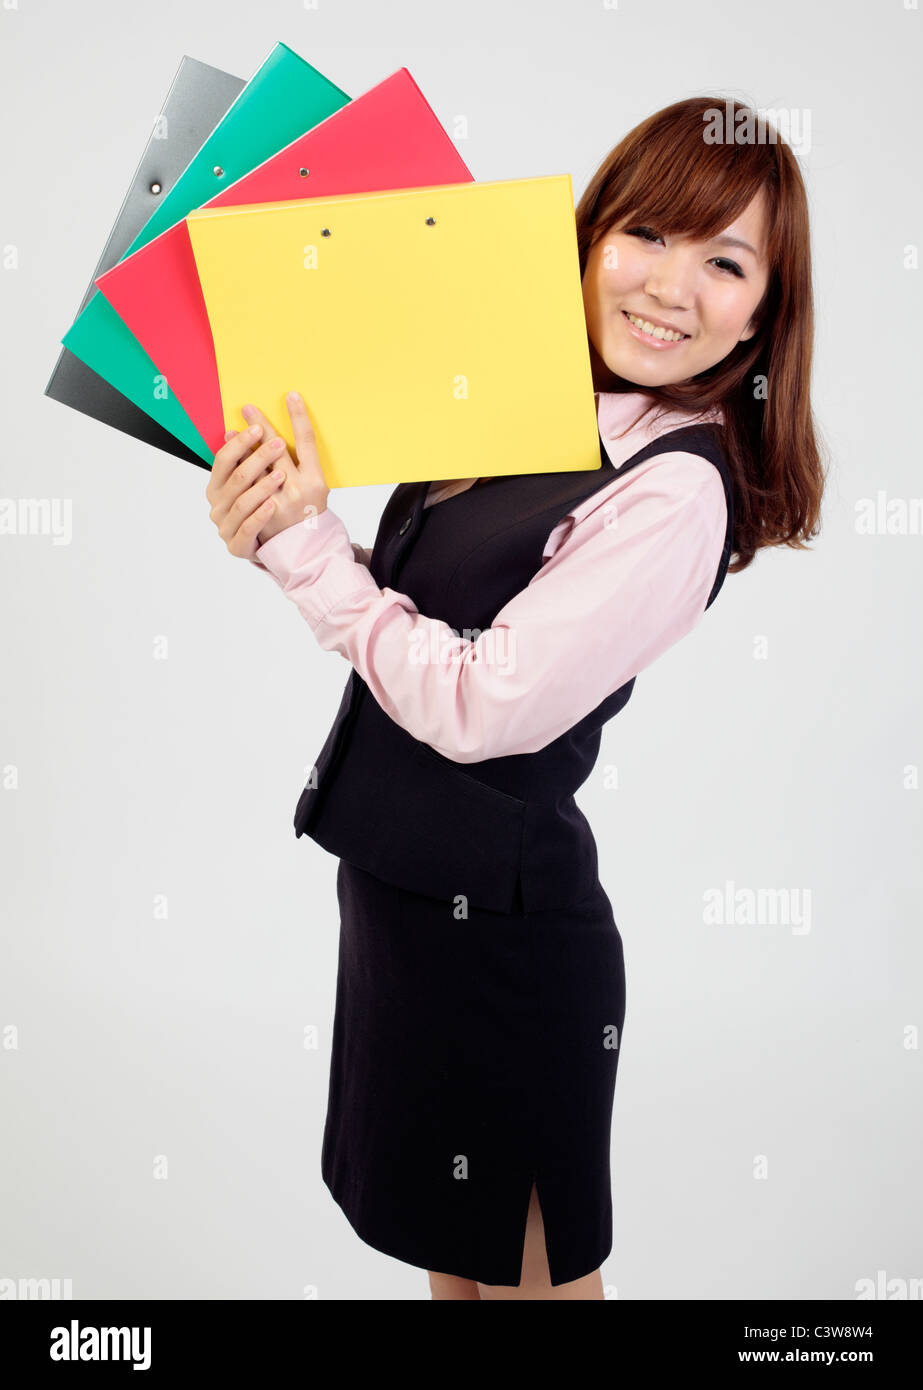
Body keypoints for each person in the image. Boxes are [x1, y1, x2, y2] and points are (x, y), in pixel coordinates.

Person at [205, 96, 826, 1300]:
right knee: (460, 1270)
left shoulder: (674, 486)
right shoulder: (514, 401)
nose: (667, 286)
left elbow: (482, 704)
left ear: (762, 310)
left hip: (508, 943)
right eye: (647, 233)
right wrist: (277, 507)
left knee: (531, 1285)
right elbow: (400, 600)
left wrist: (302, 549)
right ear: (588, 238)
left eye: (724, 261)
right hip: (399, 906)